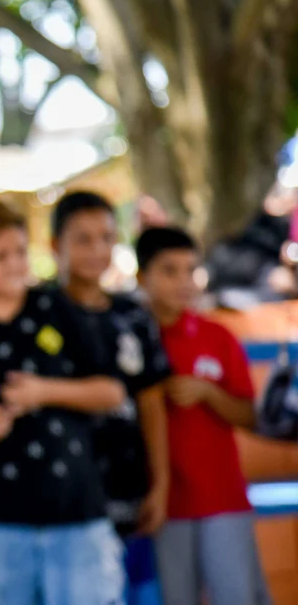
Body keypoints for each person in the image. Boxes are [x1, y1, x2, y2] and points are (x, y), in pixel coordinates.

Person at [0, 200, 127, 605]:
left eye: (20, 251)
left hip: (75, 508)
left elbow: (112, 391)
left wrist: (45, 391)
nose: (14, 264)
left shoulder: (55, 307)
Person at [135, 227, 271, 605]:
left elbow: (251, 416)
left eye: (191, 270)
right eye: (169, 270)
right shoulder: (130, 338)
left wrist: (209, 393)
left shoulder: (218, 337)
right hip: (162, 505)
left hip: (221, 498)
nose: (183, 282)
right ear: (142, 277)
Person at [51, 192, 171, 605]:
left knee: (138, 592)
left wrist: (161, 482)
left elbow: (152, 403)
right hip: (63, 499)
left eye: (106, 238)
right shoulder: (38, 311)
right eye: (82, 239)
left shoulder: (133, 316)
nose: (97, 250)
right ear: (55, 246)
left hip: (129, 487)